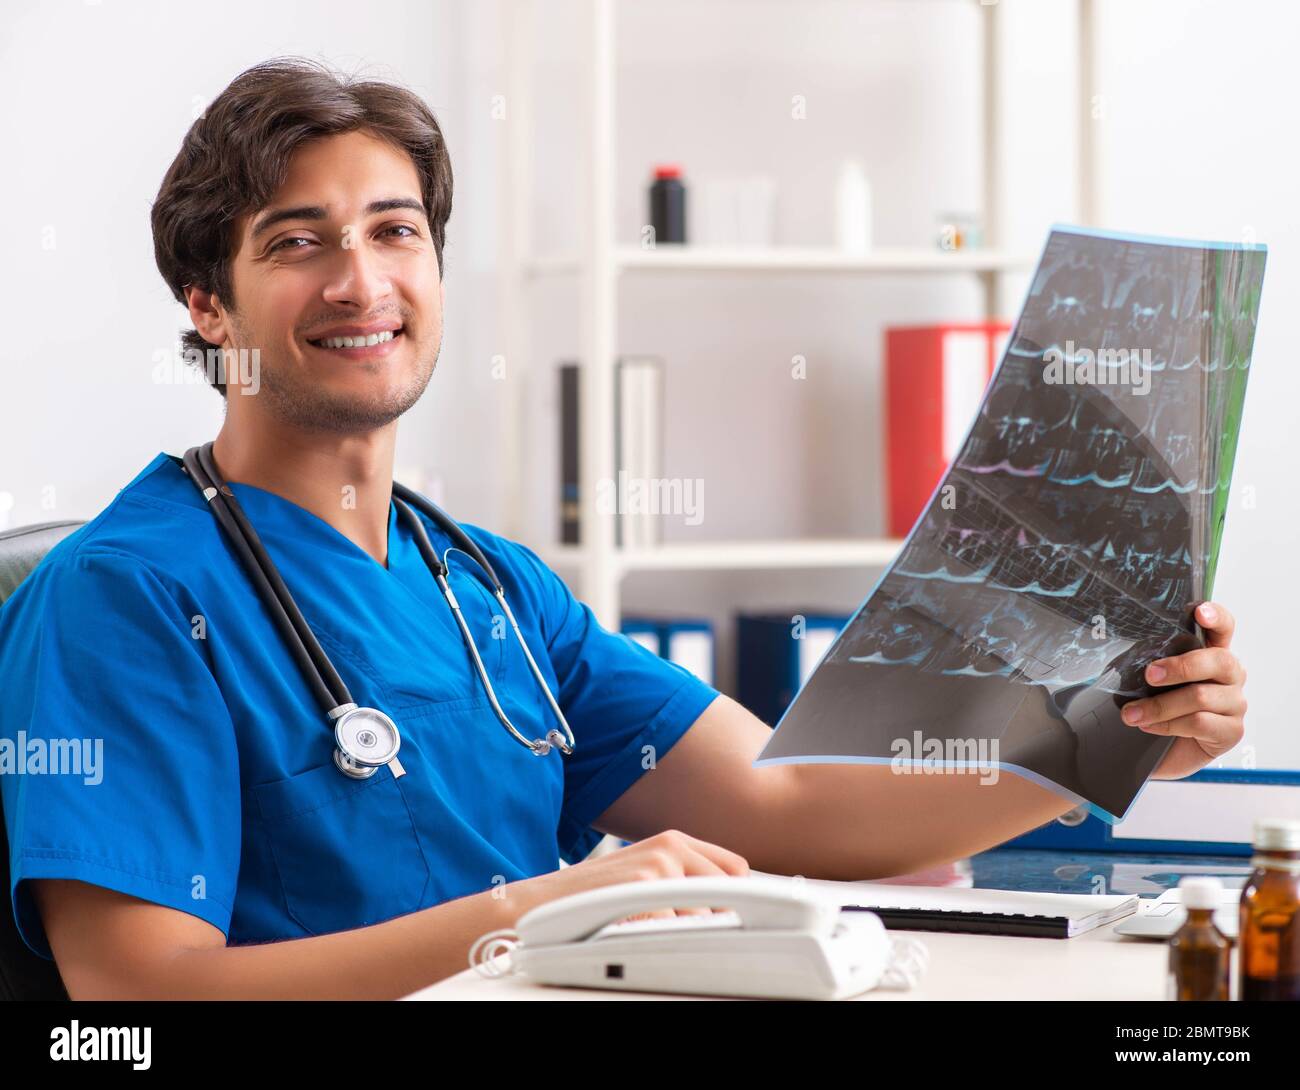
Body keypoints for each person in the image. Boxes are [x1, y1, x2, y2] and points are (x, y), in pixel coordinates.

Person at [0, 58, 1248, 1000]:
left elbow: (800, 803)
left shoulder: (487, 587)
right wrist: (540, 910)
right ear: (208, 305)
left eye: (395, 231)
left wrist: (1106, 738)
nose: (361, 281)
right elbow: (135, 996)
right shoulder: (125, 593)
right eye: (298, 242)